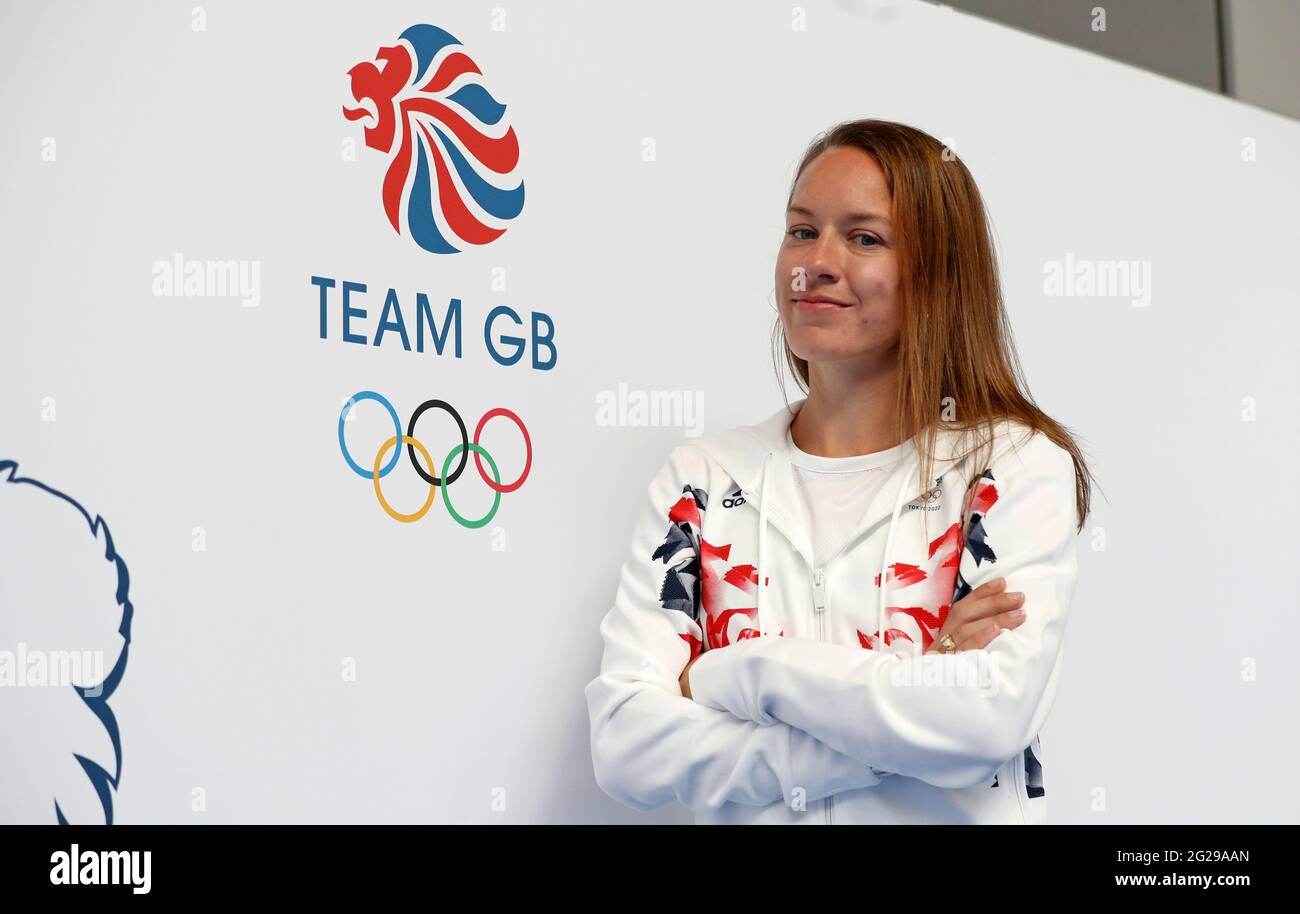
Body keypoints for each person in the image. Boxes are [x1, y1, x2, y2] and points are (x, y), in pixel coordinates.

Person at [584, 118, 1096, 824]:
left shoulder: (1011, 465)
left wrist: (731, 673)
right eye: (801, 231)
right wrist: (916, 688)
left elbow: (983, 724)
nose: (814, 263)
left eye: (864, 238)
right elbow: (625, 746)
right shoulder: (698, 481)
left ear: (938, 273)